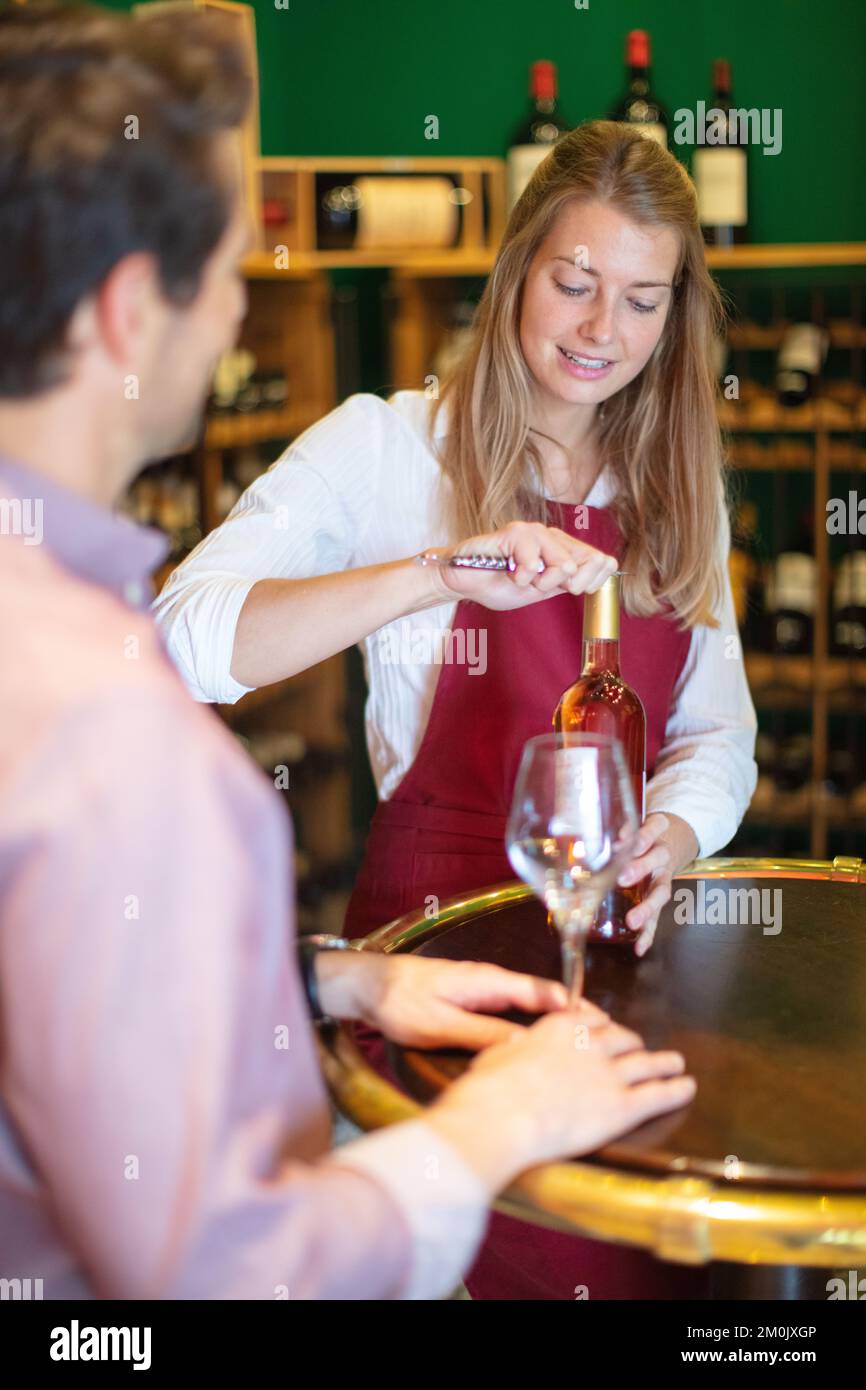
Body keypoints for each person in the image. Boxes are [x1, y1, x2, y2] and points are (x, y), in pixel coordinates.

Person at [0, 6, 696, 1301]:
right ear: (120, 315)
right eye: (221, 273)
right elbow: (219, 1272)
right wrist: (486, 1128)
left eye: (640, 297)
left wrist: (331, 977)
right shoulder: (117, 725)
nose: (230, 320)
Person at [156, 119, 757, 1298]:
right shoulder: (386, 448)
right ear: (518, 264)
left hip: (616, 967)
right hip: (430, 951)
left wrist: (672, 833)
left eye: (641, 301)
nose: (600, 331)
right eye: (573, 283)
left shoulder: (680, 488)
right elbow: (182, 641)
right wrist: (434, 571)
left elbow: (716, 734)